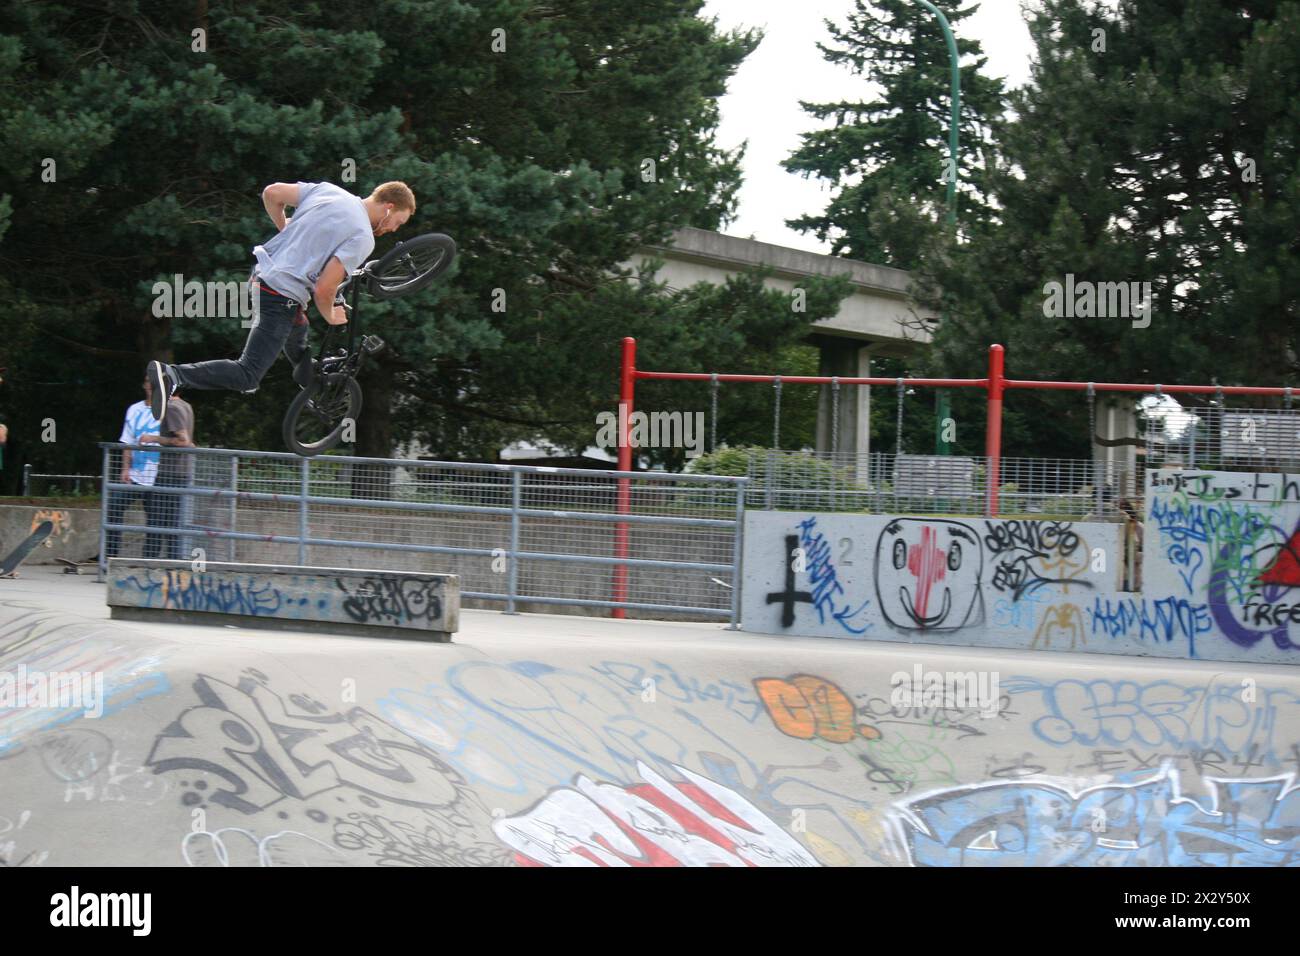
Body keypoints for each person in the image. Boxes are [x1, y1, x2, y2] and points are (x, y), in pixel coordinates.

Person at [146, 180, 415, 421]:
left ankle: (307, 376)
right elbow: (324, 289)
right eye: (398, 222)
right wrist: (331, 315)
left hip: (264, 276)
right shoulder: (362, 237)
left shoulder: (329, 191)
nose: (393, 229)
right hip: (280, 295)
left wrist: (284, 228)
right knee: (248, 375)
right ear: (389, 207)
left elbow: (272, 193)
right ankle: (173, 375)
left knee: (298, 331)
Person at [106, 371, 162, 558]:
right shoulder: (134, 410)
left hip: (157, 476)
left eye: (153, 383)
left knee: (155, 519)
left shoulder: (166, 410)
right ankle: (111, 558)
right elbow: (127, 441)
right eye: (147, 382)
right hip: (136, 474)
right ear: (144, 385)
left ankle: (149, 561)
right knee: (113, 506)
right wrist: (125, 468)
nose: (150, 386)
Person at [139, 386, 195, 560]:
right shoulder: (186, 406)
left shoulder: (171, 407)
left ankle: (149, 563)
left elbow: (183, 440)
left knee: (156, 521)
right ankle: (173, 564)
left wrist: (153, 438)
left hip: (170, 474)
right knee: (173, 524)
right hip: (181, 473)